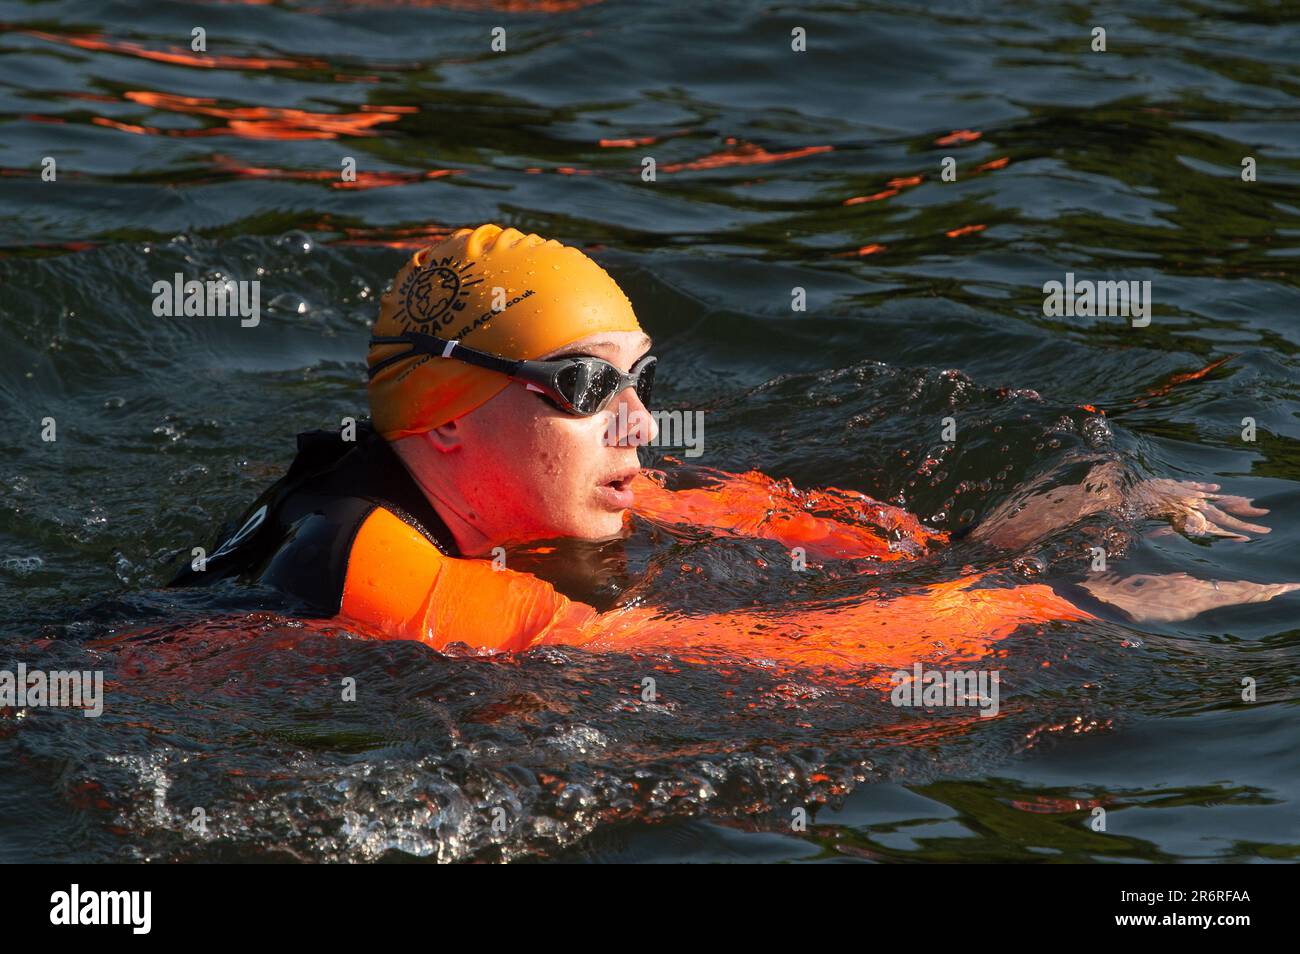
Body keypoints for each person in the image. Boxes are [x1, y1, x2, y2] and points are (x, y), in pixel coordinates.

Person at [168, 224, 1297, 670]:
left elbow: (740, 511)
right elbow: (719, 656)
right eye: (582, 386)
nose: (639, 425)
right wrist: (1065, 608)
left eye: (641, 381)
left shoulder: (475, 483)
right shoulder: (370, 558)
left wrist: (1012, 537)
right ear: (449, 417)